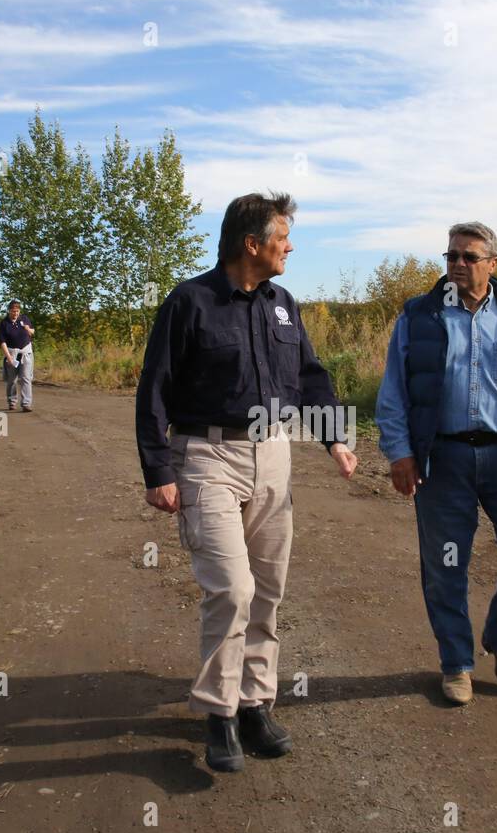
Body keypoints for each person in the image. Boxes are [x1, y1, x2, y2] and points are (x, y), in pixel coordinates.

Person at [136, 191, 359, 773]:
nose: (291, 247)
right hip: (206, 455)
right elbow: (154, 388)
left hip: (274, 453)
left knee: (266, 588)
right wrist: (158, 470)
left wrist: (335, 438)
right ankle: (219, 712)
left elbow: (311, 377)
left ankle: (257, 703)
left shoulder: (284, 304)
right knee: (232, 589)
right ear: (252, 244)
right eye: (283, 237)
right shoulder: (190, 302)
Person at [375, 221, 497, 706]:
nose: (458, 264)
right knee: (446, 564)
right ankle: (457, 663)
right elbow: (394, 389)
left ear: (492, 264)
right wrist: (400, 451)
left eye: (469, 257)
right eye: (452, 255)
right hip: (444, 458)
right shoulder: (420, 315)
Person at [0, 299, 35, 413]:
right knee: (12, 380)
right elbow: (2, 341)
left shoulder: (24, 319)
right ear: (9, 311)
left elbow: (32, 332)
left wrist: (28, 329)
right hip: (11, 353)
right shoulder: (4, 323)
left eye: (17, 311)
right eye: (13, 311)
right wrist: (8, 357)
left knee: (26, 378)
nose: (15, 313)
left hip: (25, 352)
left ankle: (26, 403)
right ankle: (12, 401)